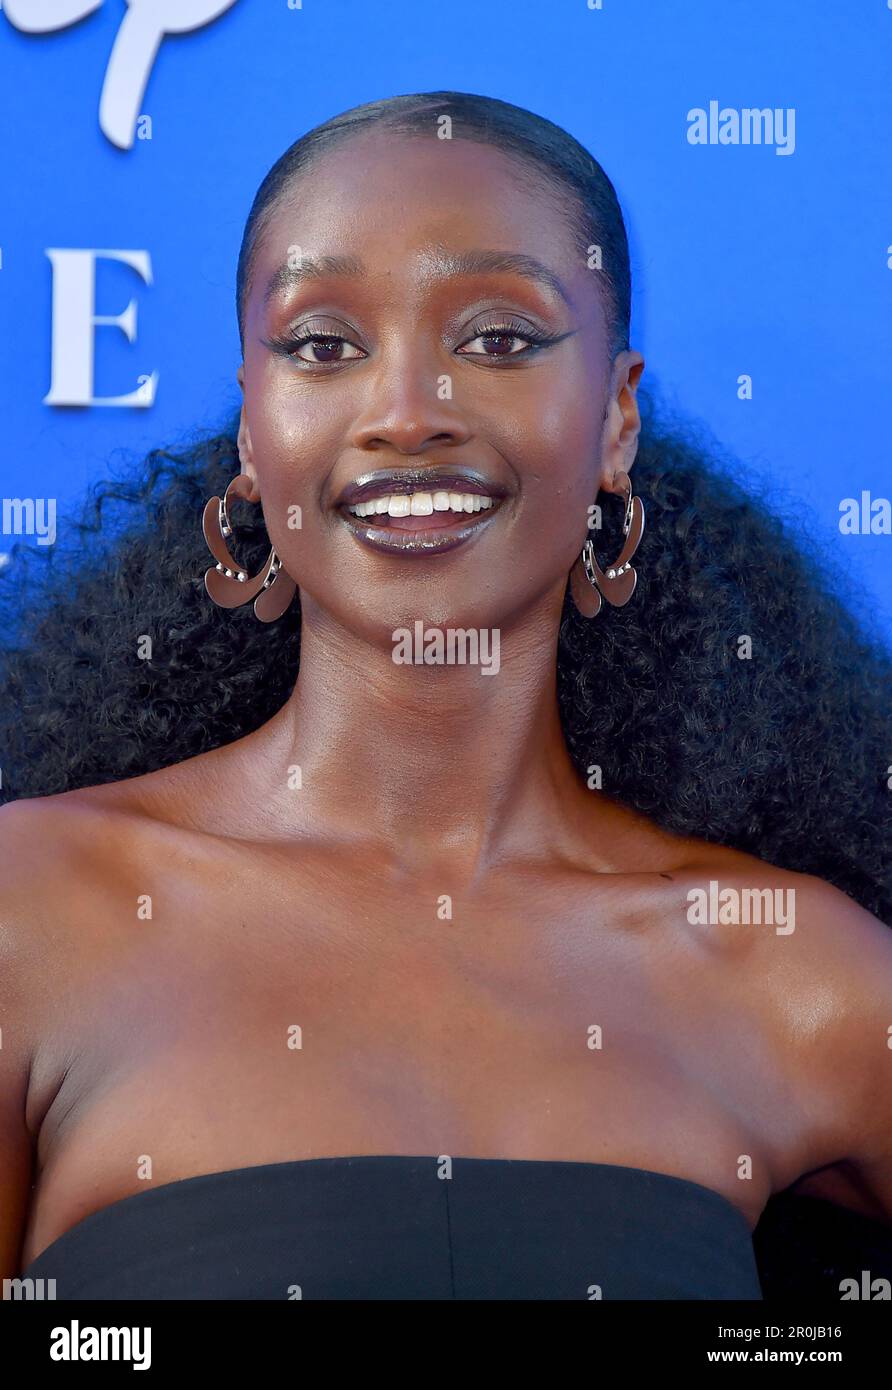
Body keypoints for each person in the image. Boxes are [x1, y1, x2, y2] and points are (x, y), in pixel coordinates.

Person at [1, 91, 890, 1301]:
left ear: (617, 418)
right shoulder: (33, 914)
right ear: (255, 436)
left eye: (500, 339)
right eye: (321, 344)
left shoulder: (794, 974)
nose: (408, 411)